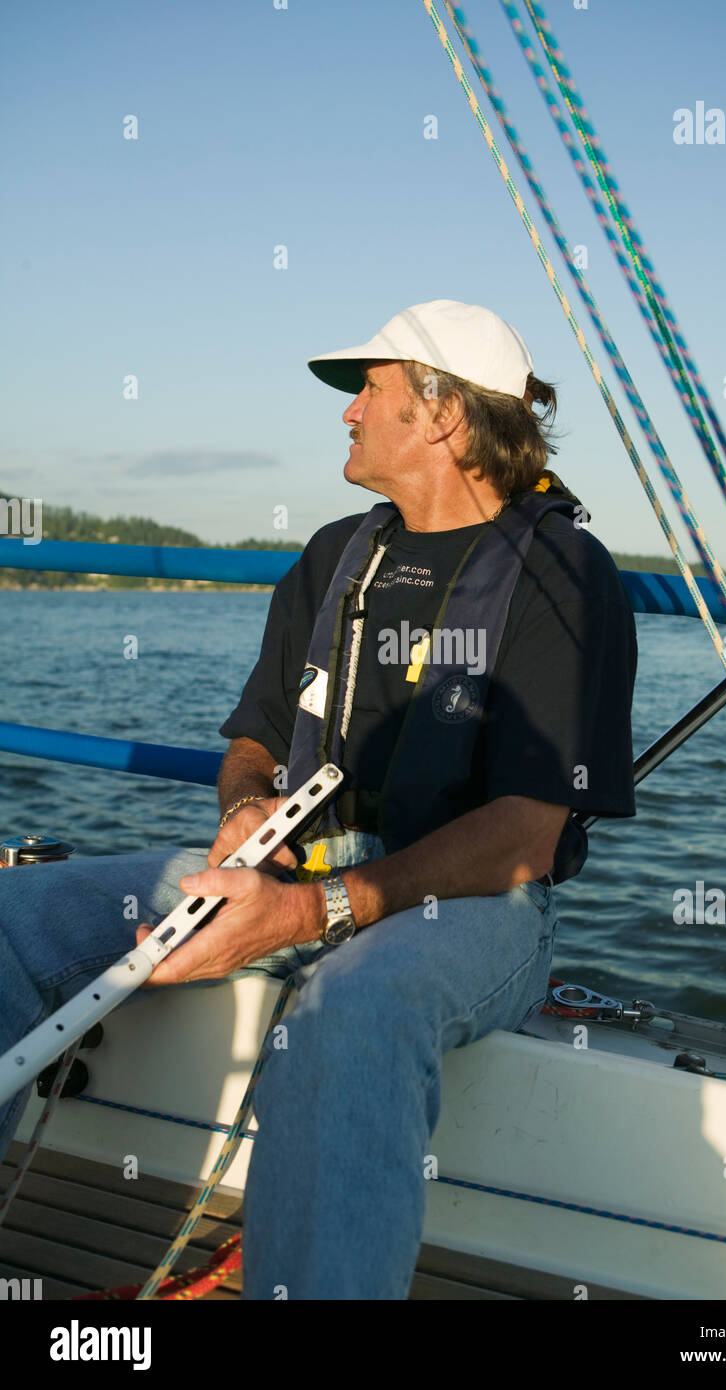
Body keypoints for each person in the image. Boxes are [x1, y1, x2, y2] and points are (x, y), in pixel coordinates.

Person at [0, 298, 637, 1300]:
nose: (346, 416)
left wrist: (308, 914)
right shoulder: (335, 555)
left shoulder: (565, 578)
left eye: (368, 393)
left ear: (442, 417)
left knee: (350, 1009)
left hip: (476, 903)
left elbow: (525, 831)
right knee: (12, 919)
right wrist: (246, 806)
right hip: (296, 868)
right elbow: (255, 733)